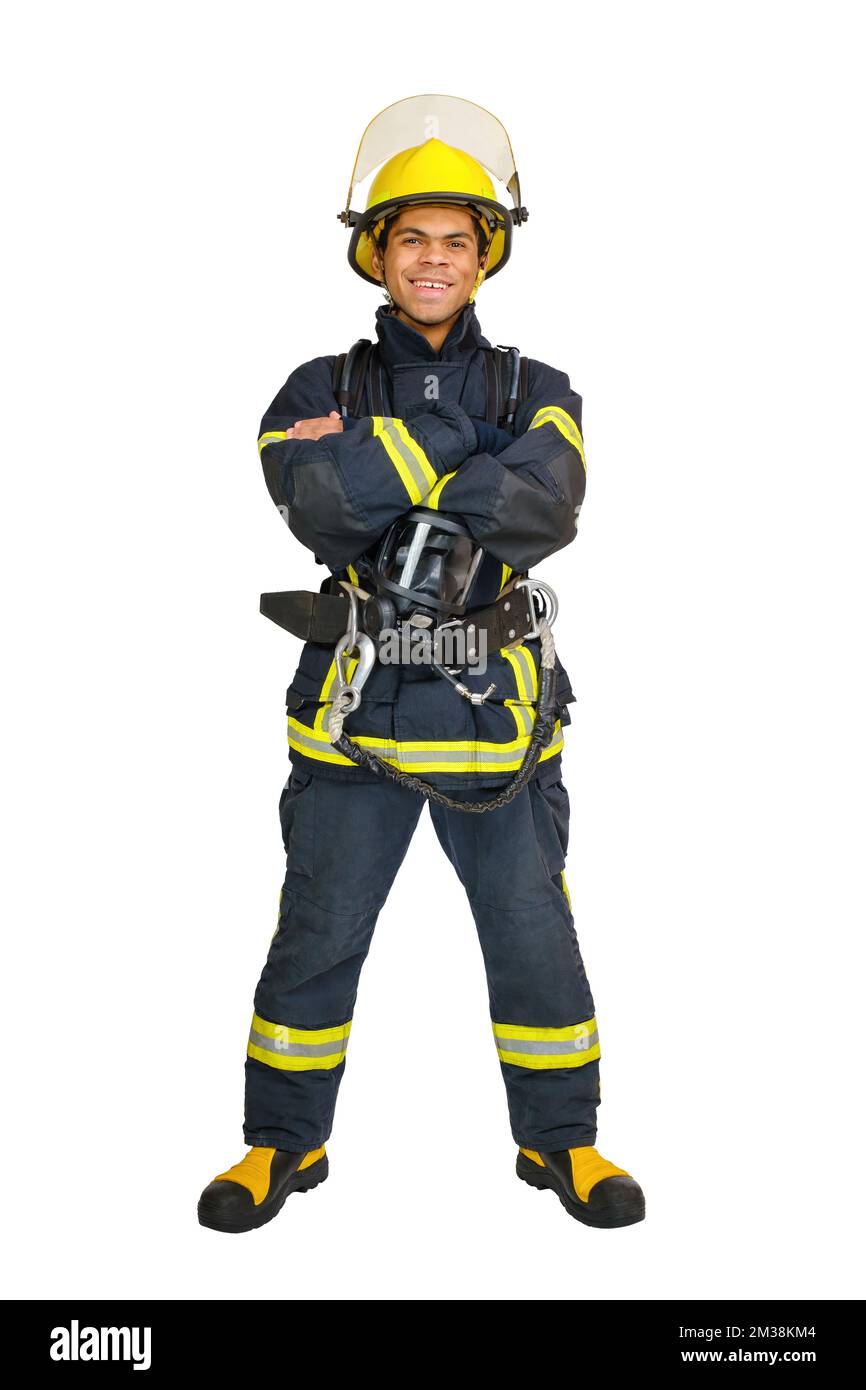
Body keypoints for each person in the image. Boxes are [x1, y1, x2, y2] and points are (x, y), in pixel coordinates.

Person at [197, 96, 645, 1233]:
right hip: (351, 723)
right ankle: (278, 1148)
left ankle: (564, 1144)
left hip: (498, 719)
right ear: (375, 255)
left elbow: (546, 500)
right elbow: (319, 501)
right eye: (411, 240)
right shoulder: (315, 389)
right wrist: (464, 466)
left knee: (533, 936)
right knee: (315, 935)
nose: (432, 260)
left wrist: (385, 466)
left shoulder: (539, 388)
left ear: (483, 255)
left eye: (454, 239)